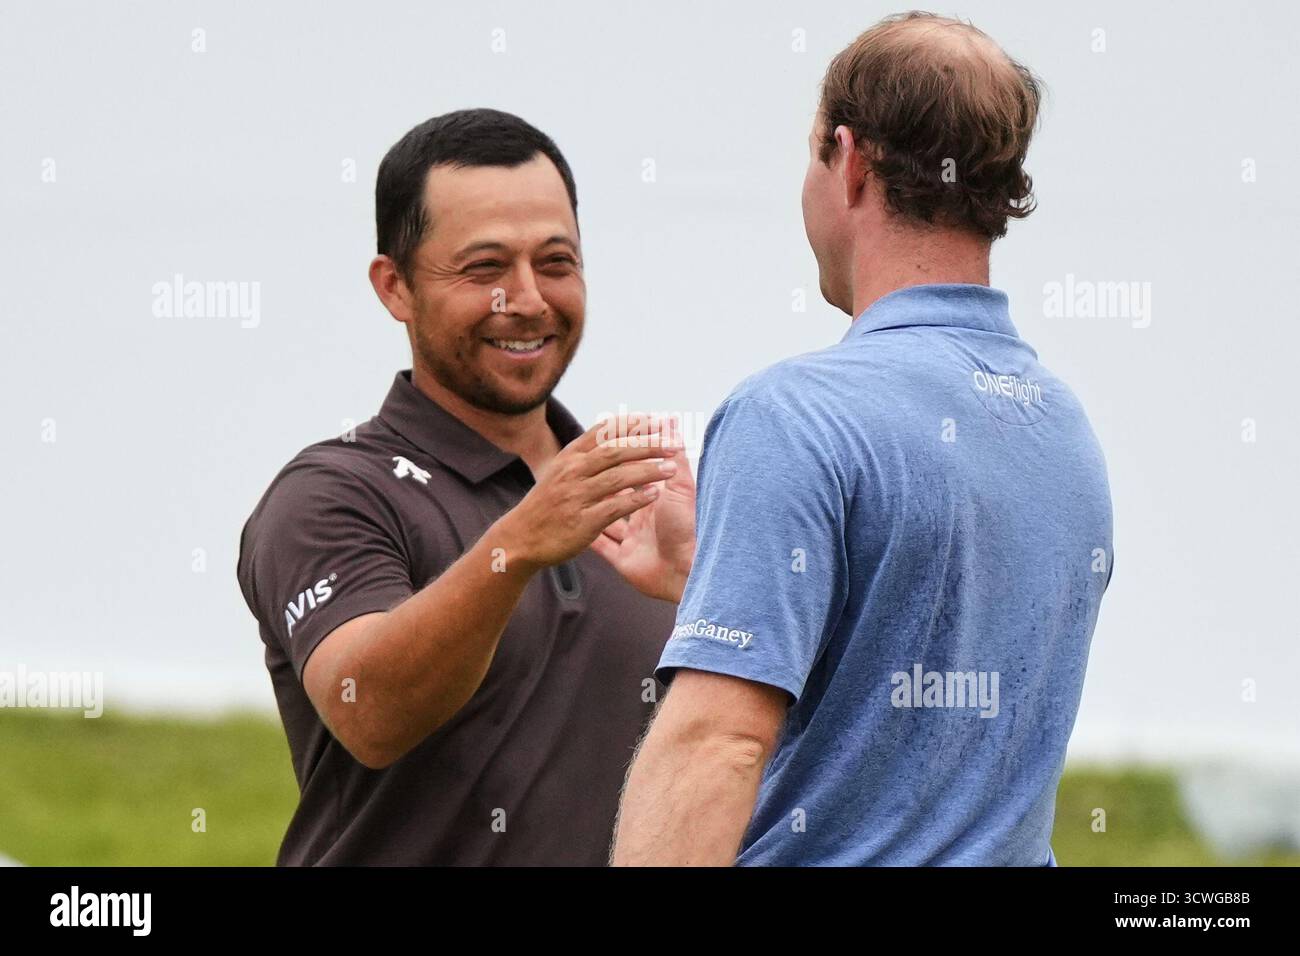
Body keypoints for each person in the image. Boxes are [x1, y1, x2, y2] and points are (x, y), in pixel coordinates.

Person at [611, 12, 1114, 866]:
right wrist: (721, 576)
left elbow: (716, 745)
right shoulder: (1061, 427)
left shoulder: (793, 414)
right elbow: (920, 697)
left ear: (849, 160)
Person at [236, 108, 694, 865]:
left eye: (556, 262)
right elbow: (369, 712)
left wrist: (702, 585)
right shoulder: (329, 495)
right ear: (395, 287)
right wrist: (517, 547)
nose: (528, 299)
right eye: (485, 269)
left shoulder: (644, 497)